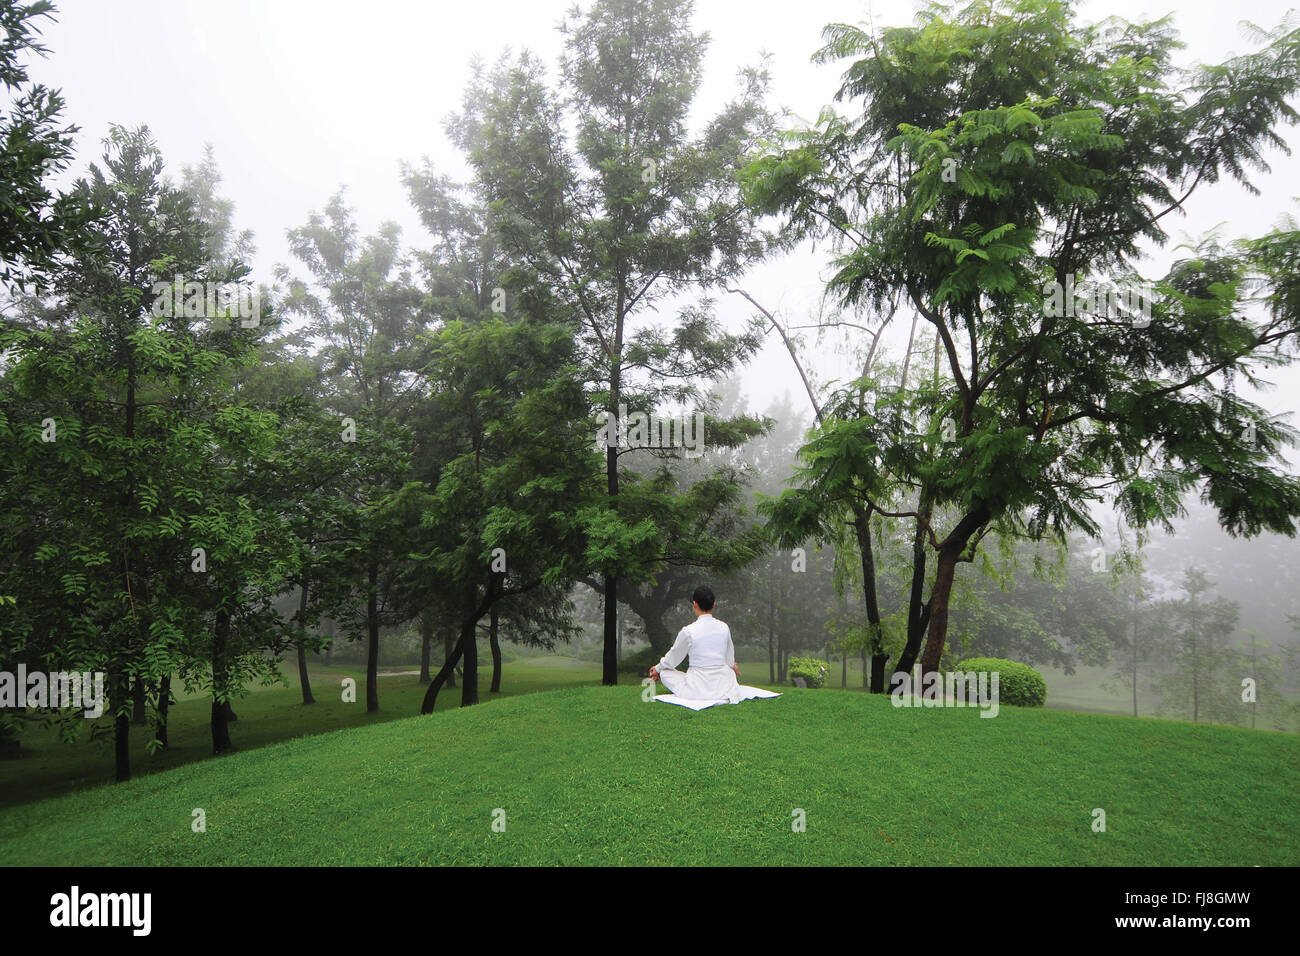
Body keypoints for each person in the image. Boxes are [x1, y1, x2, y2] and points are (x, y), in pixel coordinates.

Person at [648, 586, 780, 709]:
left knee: (665, 673)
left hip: (697, 688)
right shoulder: (724, 627)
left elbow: (673, 658)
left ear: (694, 604)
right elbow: (729, 657)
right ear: (714, 605)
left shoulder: (688, 631)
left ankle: (665, 674)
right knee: (726, 670)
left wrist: (658, 669)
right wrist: (732, 665)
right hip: (723, 685)